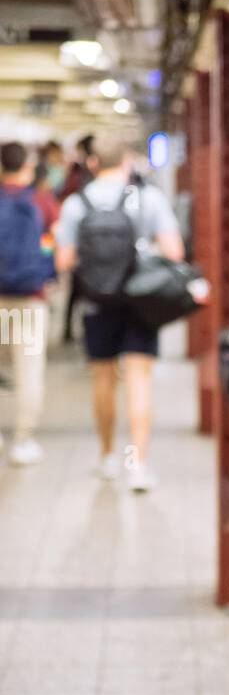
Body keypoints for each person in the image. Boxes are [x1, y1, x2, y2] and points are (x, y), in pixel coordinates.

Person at [53, 134, 185, 492]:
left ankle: (108, 457)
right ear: (126, 162)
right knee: (139, 381)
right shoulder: (148, 197)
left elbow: (63, 260)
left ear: (92, 163)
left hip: (98, 303)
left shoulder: (76, 203)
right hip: (140, 302)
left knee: (103, 380)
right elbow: (174, 252)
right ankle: (138, 464)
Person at [0, 141, 50, 465]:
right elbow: (53, 248)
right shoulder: (42, 204)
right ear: (27, 167)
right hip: (30, 301)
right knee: (28, 371)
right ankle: (22, 440)